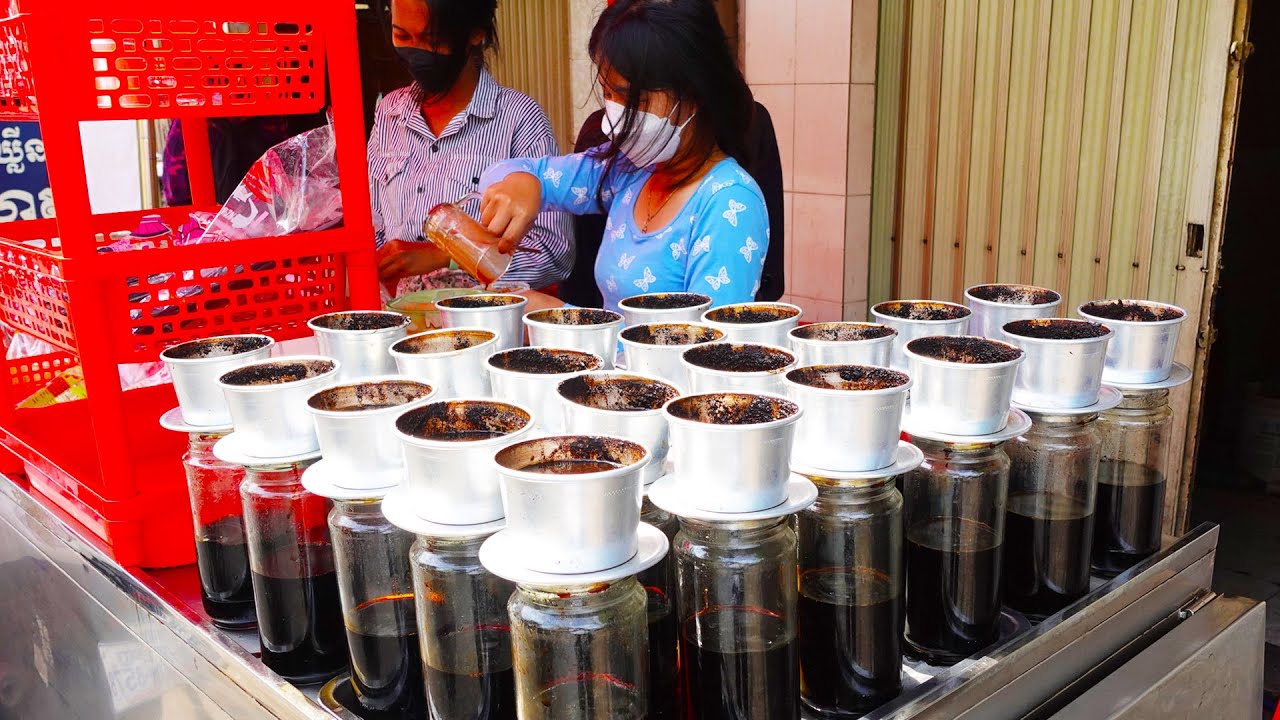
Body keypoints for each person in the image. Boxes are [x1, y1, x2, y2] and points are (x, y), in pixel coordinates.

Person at [478, 0, 768, 313]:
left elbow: (707, 348)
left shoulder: (729, 202)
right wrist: (524, 183)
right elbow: (500, 173)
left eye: (632, 98)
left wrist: (565, 322)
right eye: (608, 94)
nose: (615, 114)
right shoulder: (627, 170)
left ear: (694, 95)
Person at [369, 0, 572, 294]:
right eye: (402, 36)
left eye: (434, 41)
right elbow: (371, 226)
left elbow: (554, 254)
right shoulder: (389, 114)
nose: (416, 53)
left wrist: (450, 255)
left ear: (475, 34)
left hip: (484, 322)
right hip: (405, 321)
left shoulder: (519, 119)